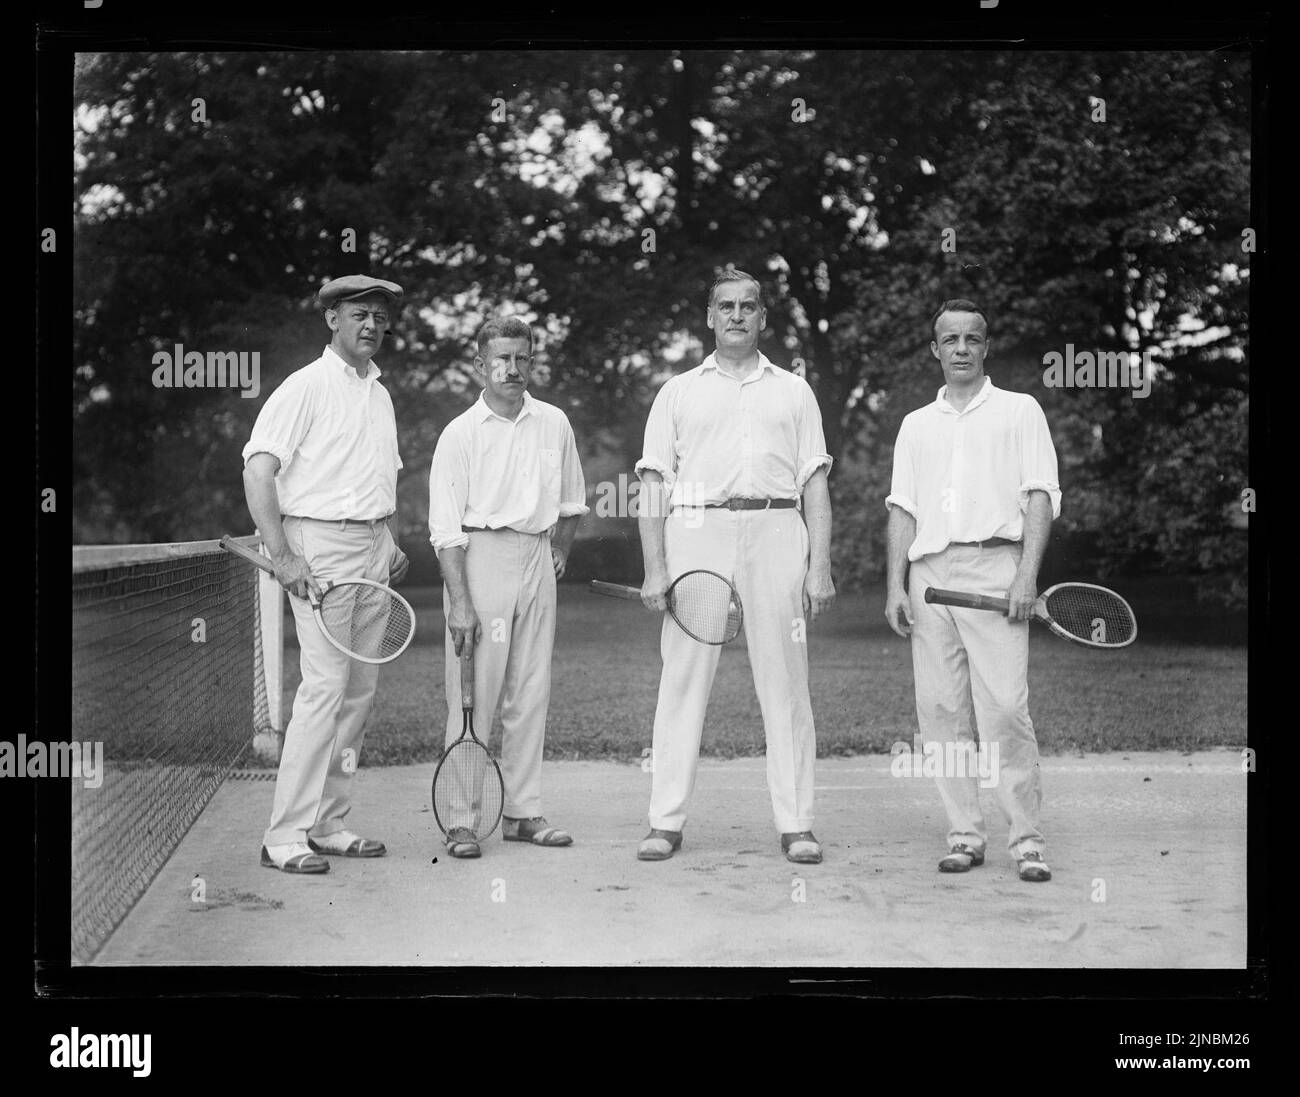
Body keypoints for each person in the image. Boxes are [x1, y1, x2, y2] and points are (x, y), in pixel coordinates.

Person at [634, 268, 835, 864]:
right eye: (726, 306)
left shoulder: (794, 391)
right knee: (683, 679)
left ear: (764, 318)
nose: (738, 315)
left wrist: (818, 566)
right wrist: (655, 568)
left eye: (749, 306)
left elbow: (816, 484)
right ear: (709, 317)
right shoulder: (677, 391)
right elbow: (652, 485)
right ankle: (664, 822)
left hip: (778, 530)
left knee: (787, 681)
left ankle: (797, 823)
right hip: (697, 530)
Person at [884, 298, 1060, 882]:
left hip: (996, 568)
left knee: (1006, 709)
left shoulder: (1020, 411)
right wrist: (895, 587)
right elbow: (903, 511)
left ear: (987, 347)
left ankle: (1027, 840)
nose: (961, 348)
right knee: (941, 712)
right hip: (928, 576)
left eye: (972, 339)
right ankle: (964, 834)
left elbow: (1039, 497)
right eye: (950, 339)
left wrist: (1026, 576)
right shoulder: (915, 424)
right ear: (935, 350)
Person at [242, 274, 410, 874]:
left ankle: (329, 824)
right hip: (318, 549)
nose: (371, 325)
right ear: (332, 320)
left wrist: (385, 539)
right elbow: (259, 472)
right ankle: (283, 835)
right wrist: (284, 556)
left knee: (358, 693)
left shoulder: (379, 394)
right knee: (323, 689)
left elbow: (374, 479)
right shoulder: (304, 387)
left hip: (371, 549)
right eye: (359, 314)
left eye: (380, 317)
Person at [427, 316, 588, 858]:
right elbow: (445, 530)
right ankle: (462, 819)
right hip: (480, 560)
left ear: (532, 361)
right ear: (481, 365)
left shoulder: (555, 424)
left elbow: (571, 502)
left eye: (522, 358)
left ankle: (522, 812)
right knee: (474, 696)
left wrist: (558, 550)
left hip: (537, 558)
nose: (513, 368)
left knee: (530, 691)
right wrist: (461, 602)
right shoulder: (459, 434)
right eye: (501, 359)